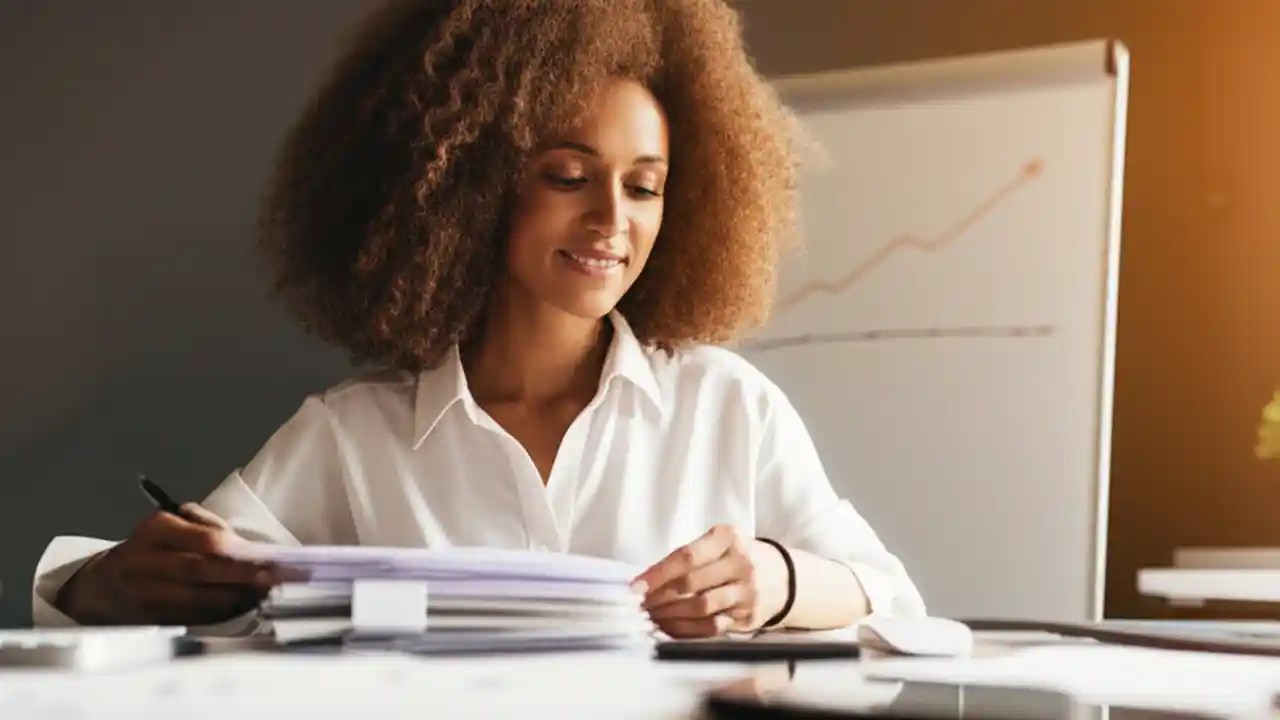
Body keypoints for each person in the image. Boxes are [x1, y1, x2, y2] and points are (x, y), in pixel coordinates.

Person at [34, 0, 925, 637]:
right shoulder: (352, 435)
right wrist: (116, 582)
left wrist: (778, 581)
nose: (613, 219)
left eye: (645, 186)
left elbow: (895, 599)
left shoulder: (730, 407)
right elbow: (166, 591)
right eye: (568, 176)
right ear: (472, 186)